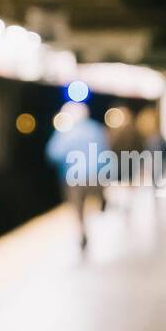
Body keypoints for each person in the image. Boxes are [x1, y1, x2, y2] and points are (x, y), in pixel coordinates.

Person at [45, 102, 108, 254]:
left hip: (73, 178)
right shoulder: (96, 130)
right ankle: (102, 205)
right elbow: (105, 153)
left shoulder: (66, 132)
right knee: (94, 204)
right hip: (96, 176)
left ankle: (82, 231)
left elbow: (53, 154)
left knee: (77, 209)